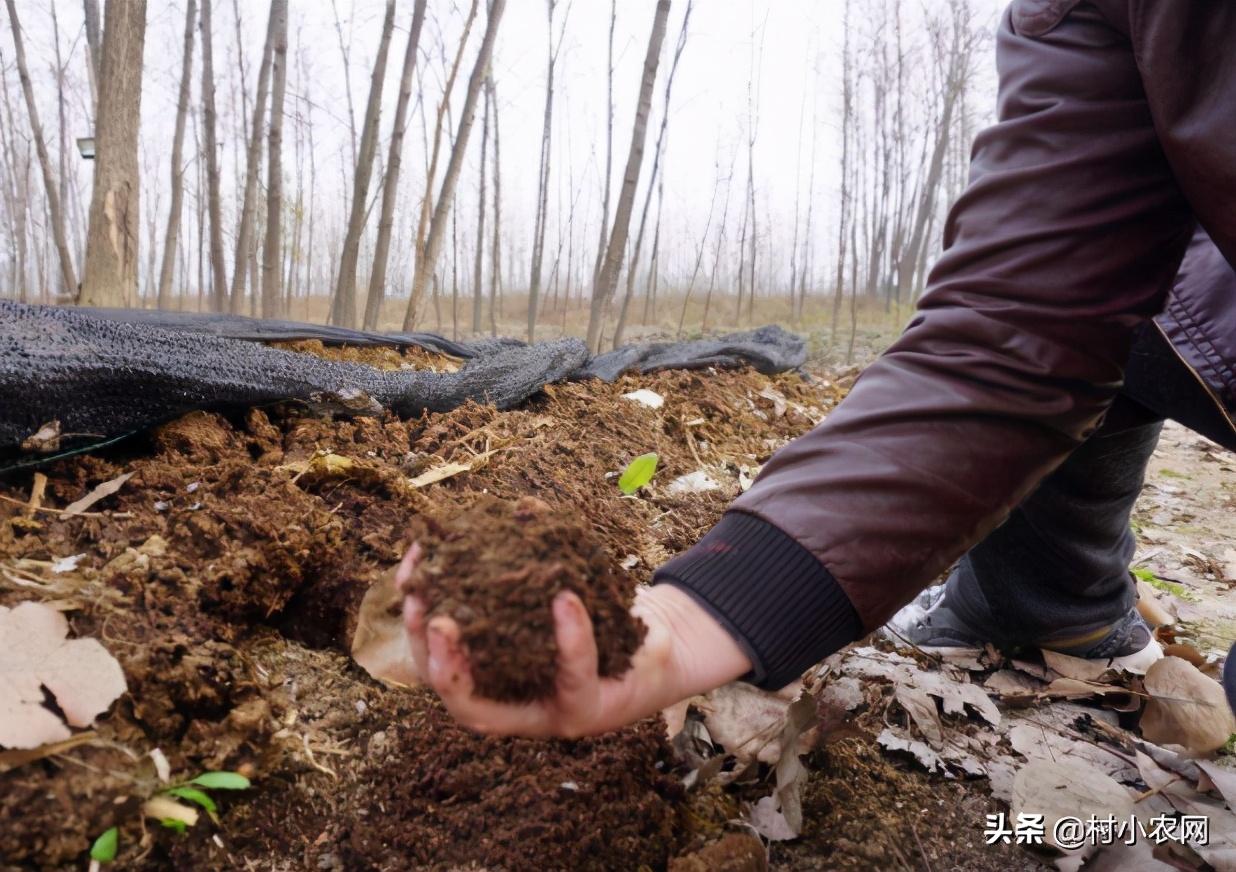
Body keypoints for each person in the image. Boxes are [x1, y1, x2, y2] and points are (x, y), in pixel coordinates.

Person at [399, 0, 1236, 738]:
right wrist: (701, 614)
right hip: (1208, 306)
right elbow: (1019, 323)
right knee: (1119, 292)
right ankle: (1059, 613)